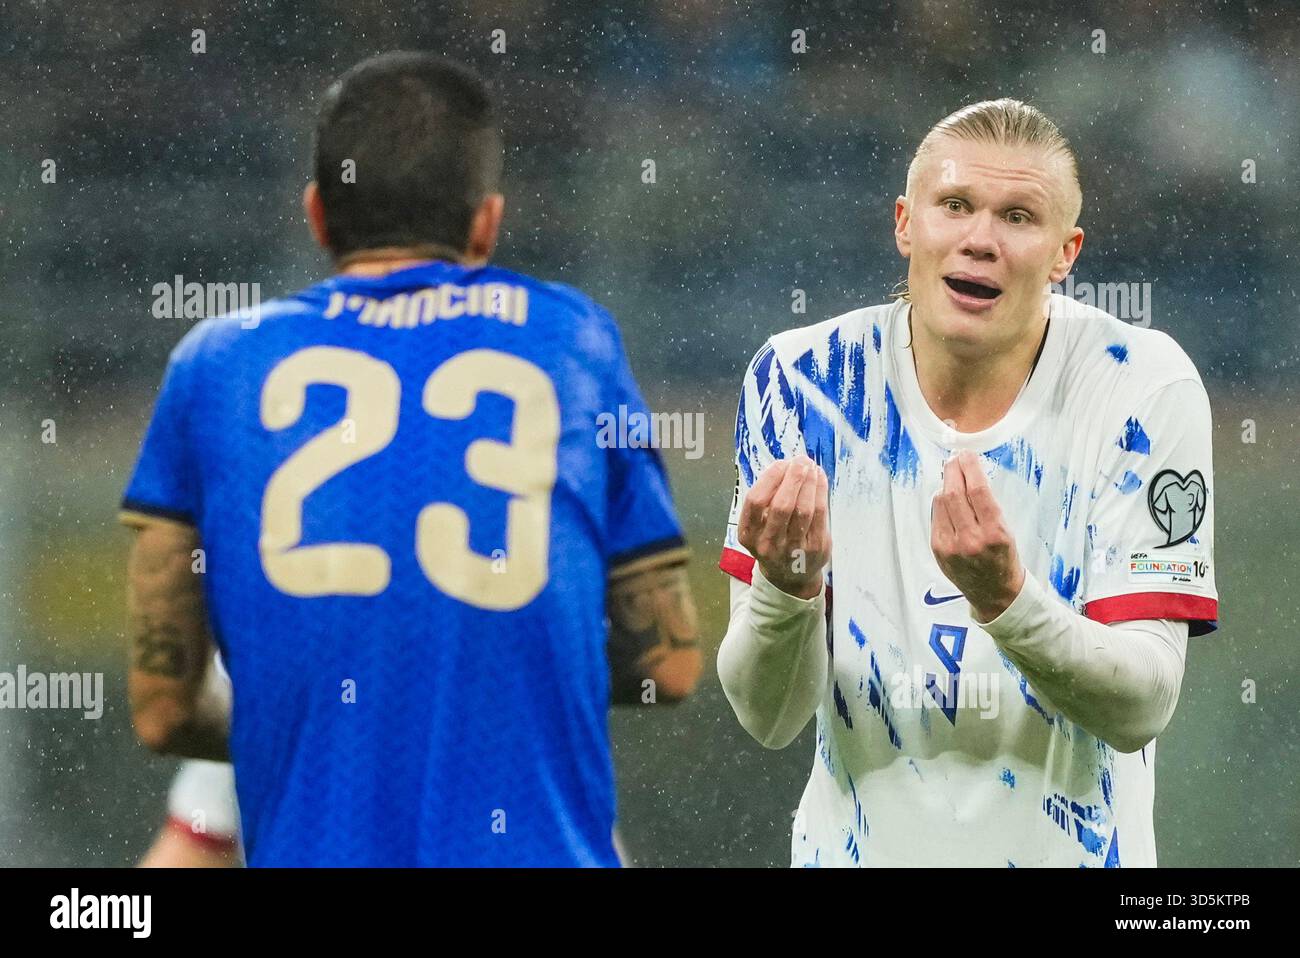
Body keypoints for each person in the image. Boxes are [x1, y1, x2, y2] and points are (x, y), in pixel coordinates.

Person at [120, 51, 700, 867]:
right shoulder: (574, 339)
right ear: (486, 224)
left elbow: (161, 708)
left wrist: (332, 716)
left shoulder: (213, 364)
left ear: (318, 216)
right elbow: (666, 664)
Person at [717, 99, 1217, 867]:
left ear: (1064, 252)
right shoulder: (803, 382)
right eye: (955, 205)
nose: (980, 239)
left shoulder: (1141, 389)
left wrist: (1008, 602)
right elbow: (768, 715)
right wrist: (787, 589)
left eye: (1018, 216)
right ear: (905, 224)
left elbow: (1144, 703)